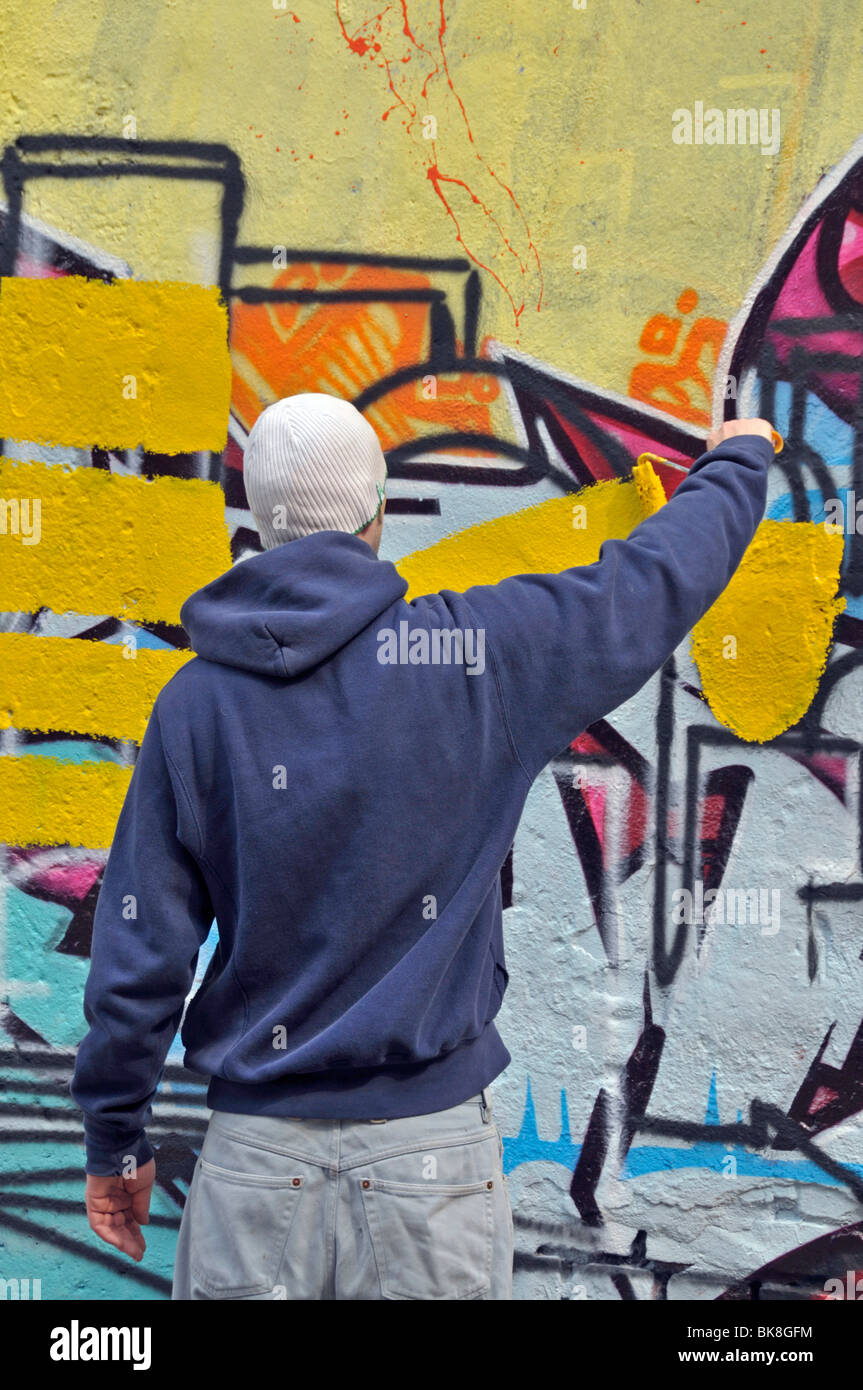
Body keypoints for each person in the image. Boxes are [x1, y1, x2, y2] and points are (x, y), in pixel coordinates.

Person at [70, 395, 775, 1300]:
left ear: (251, 519)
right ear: (379, 513)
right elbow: (645, 588)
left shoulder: (195, 705)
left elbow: (141, 957)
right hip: (430, 1168)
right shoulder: (474, 657)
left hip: (253, 1167)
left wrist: (115, 1141)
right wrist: (737, 463)